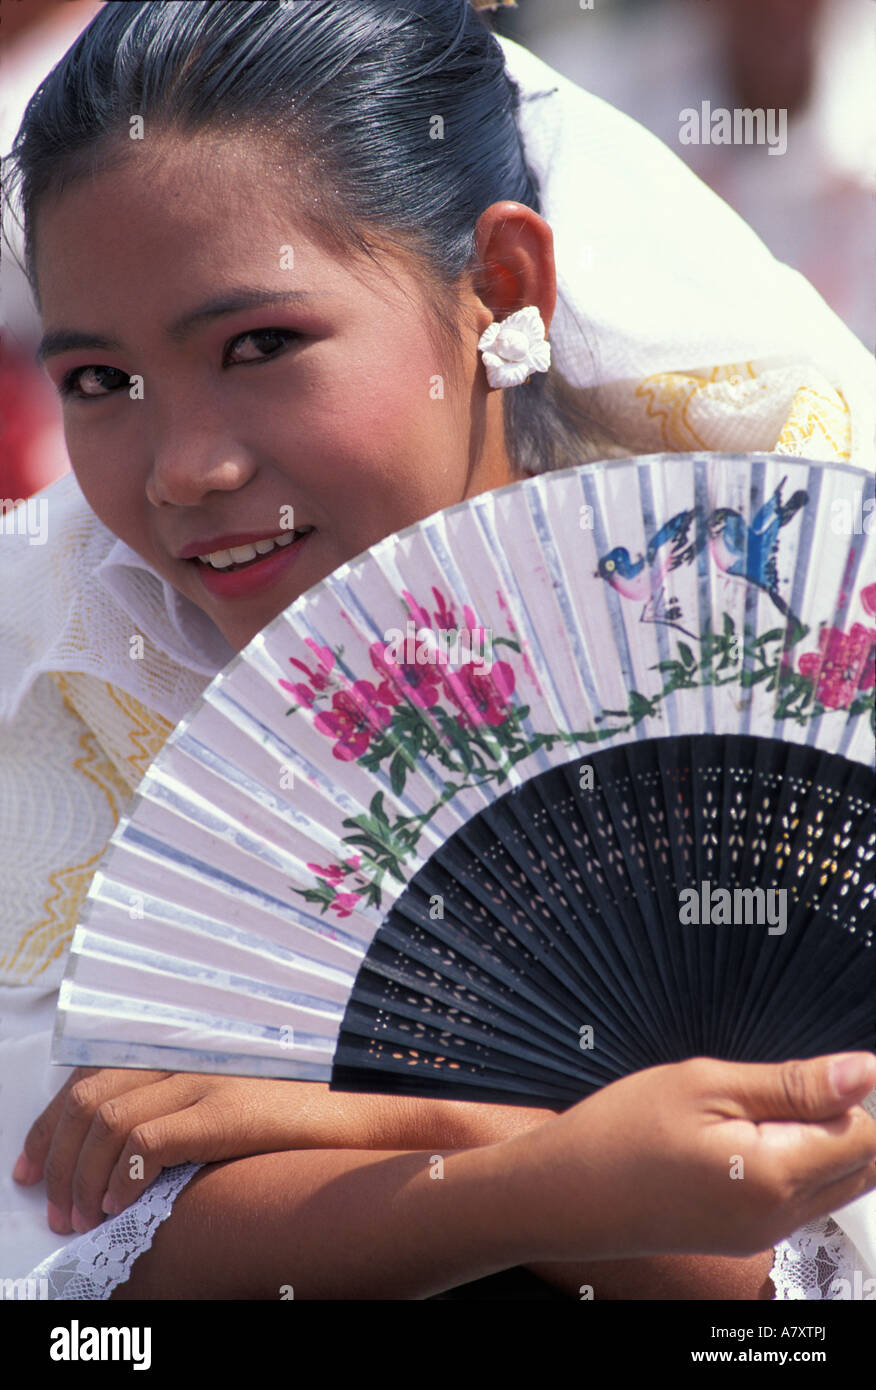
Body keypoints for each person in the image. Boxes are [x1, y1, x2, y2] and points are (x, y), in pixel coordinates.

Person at [1, 0, 874, 1301]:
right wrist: (535, 1162)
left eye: (261, 345)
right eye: (98, 381)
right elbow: (76, 1262)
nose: (187, 467)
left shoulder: (767, 634)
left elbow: (772, 1264)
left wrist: (353, 1108)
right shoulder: (68, 679)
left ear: (502, 288)